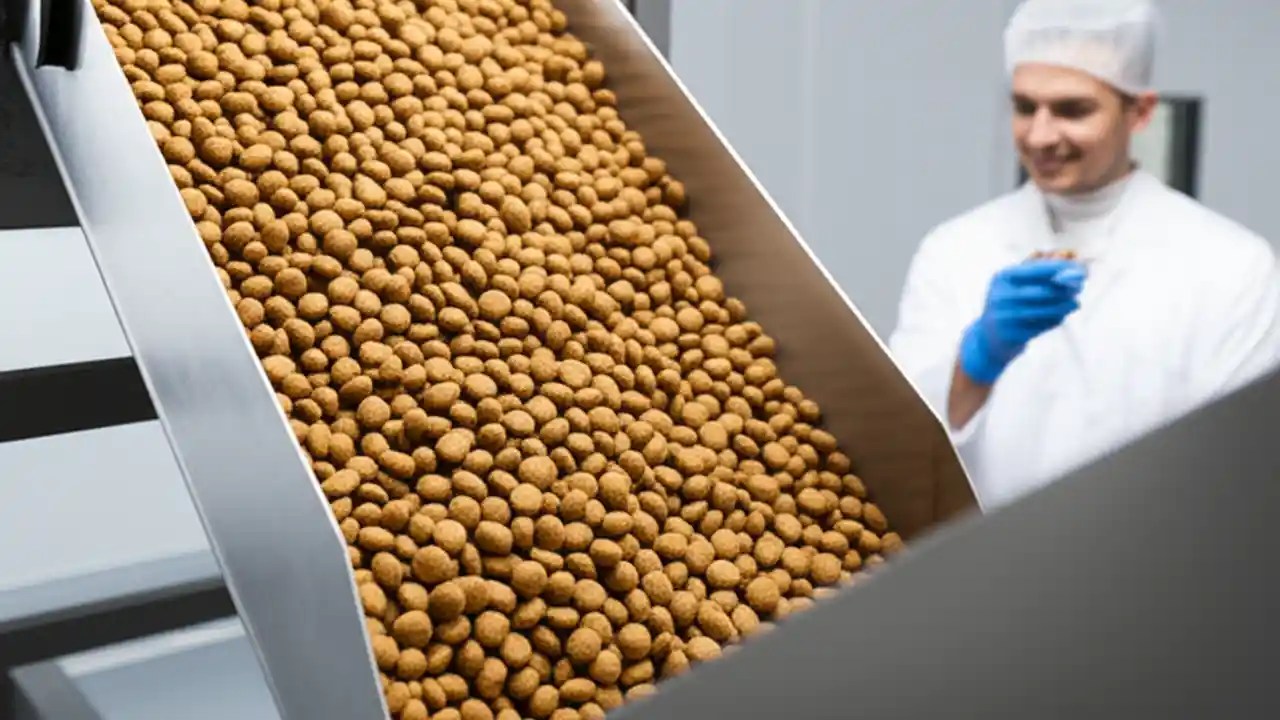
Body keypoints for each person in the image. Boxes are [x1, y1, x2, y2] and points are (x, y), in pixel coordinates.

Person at [888, 0, 1280, 509]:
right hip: (981, 567)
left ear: (1140, 111)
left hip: (1152, 574)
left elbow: (1243, 461)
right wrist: (975, 362)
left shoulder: (1230, 265)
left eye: (1073, 110)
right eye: (1025, 106)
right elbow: (898, 446)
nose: (1040, 135)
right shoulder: (955, 249)